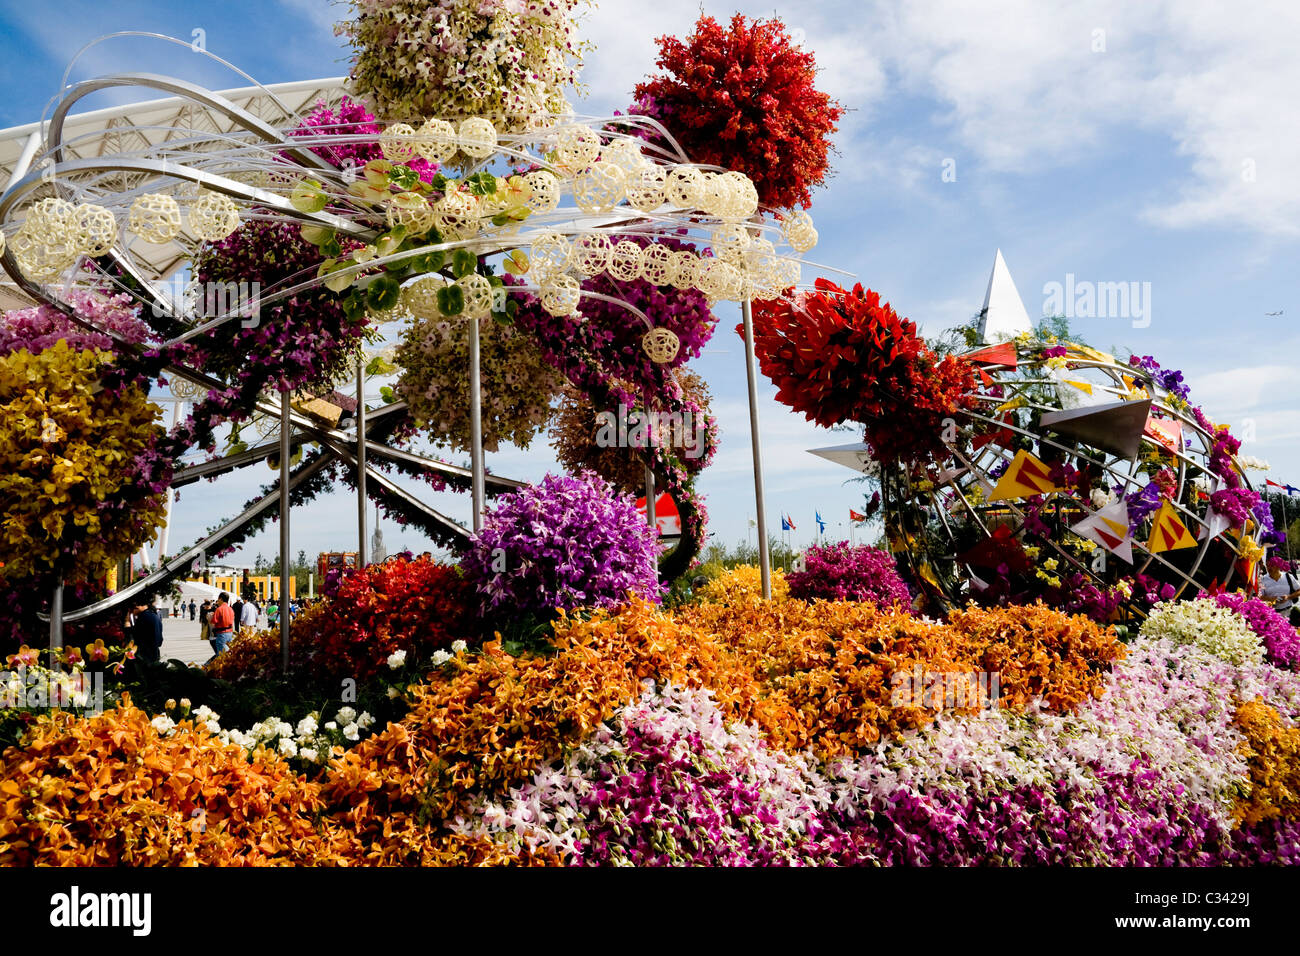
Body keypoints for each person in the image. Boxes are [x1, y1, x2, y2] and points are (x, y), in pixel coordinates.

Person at [1261, 558, 1300, 623]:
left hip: (1288, 613)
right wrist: (1271, 599)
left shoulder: (1288, 576)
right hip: (1271, 615)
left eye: (1272, 566)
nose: (1269, 568)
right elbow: (1259, 596)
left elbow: (1299, 590)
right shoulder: (1263, 579)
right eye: (1267, 566)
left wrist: (1288, 597)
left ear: (1278, 567)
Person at [208, 592, 236, 659]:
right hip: (230, 633)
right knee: (228, 652)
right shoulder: (231, 609)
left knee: (222, 655)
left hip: (222, 634)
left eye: (218, 600)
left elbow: (213, 622)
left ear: (221, 599)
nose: (217, 601)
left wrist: (209, 617)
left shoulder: (219, 609)